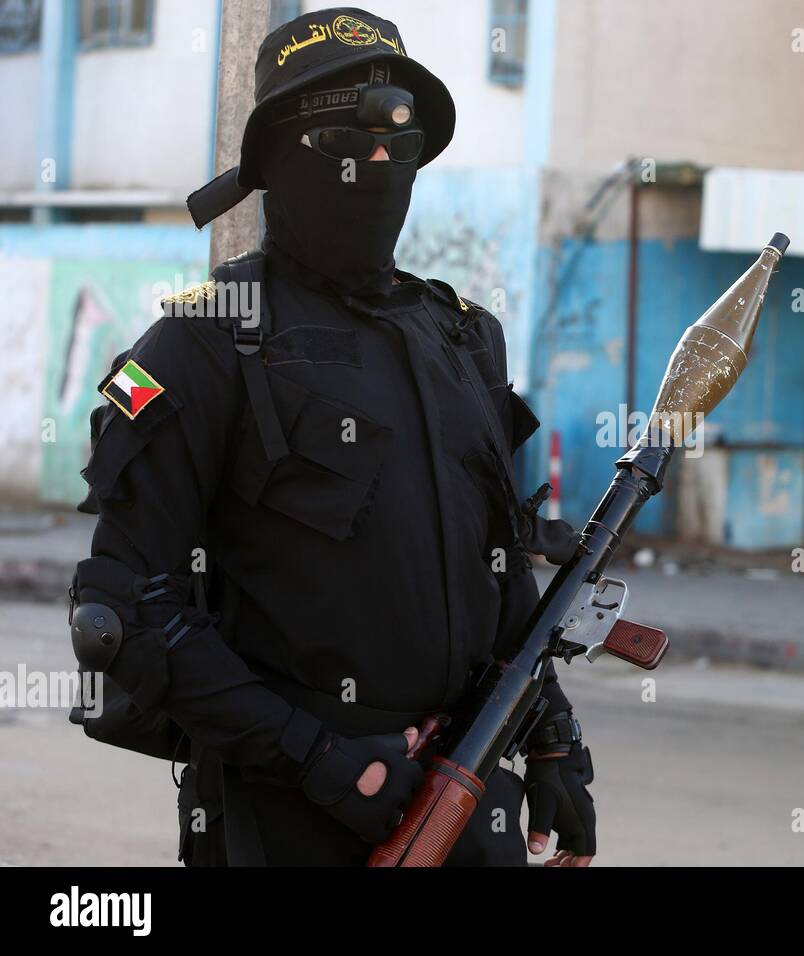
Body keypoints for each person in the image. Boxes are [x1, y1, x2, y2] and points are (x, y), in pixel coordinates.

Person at [67, 8, 596, 867]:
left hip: (467, 797)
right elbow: (118, 614)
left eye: (399, 132)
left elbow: (499, 573)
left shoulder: (464, 337)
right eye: (347, 134)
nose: (379, 161)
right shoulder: (203, 342)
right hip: (284, 817)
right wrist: (321, 763)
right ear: (275, 160)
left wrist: (551, 740)